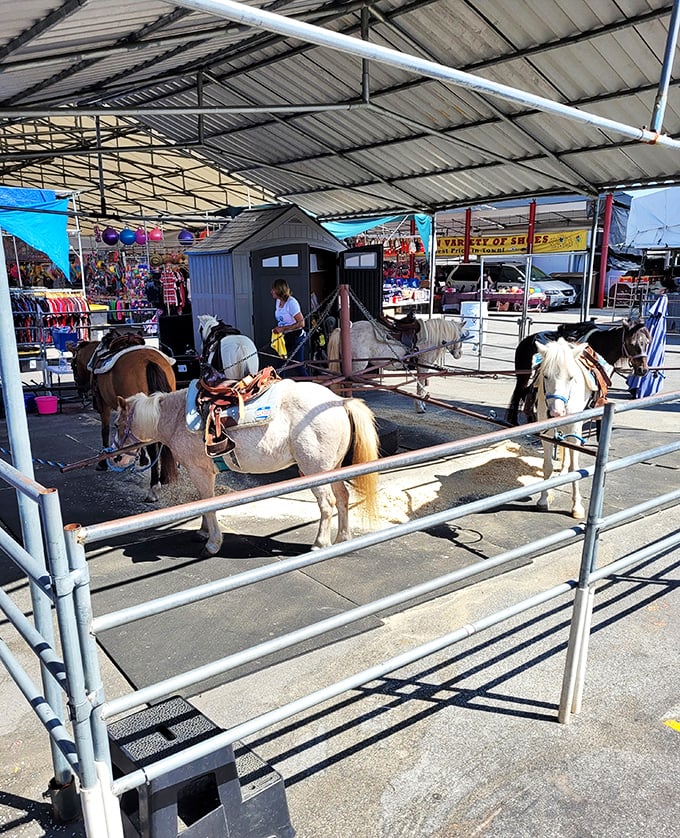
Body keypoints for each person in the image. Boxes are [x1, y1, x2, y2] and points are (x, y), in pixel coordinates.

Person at [271, 279, 308, 376]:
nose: (271, 292)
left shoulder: (291, 303)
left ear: (279, 290)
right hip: (284, 338)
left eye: (273, 289)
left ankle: (308, 384)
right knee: (280, 365)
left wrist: (283, 328)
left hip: (296, 337)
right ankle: (280, 386)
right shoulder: (278, 301)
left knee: (298, 365)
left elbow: (301, 323)